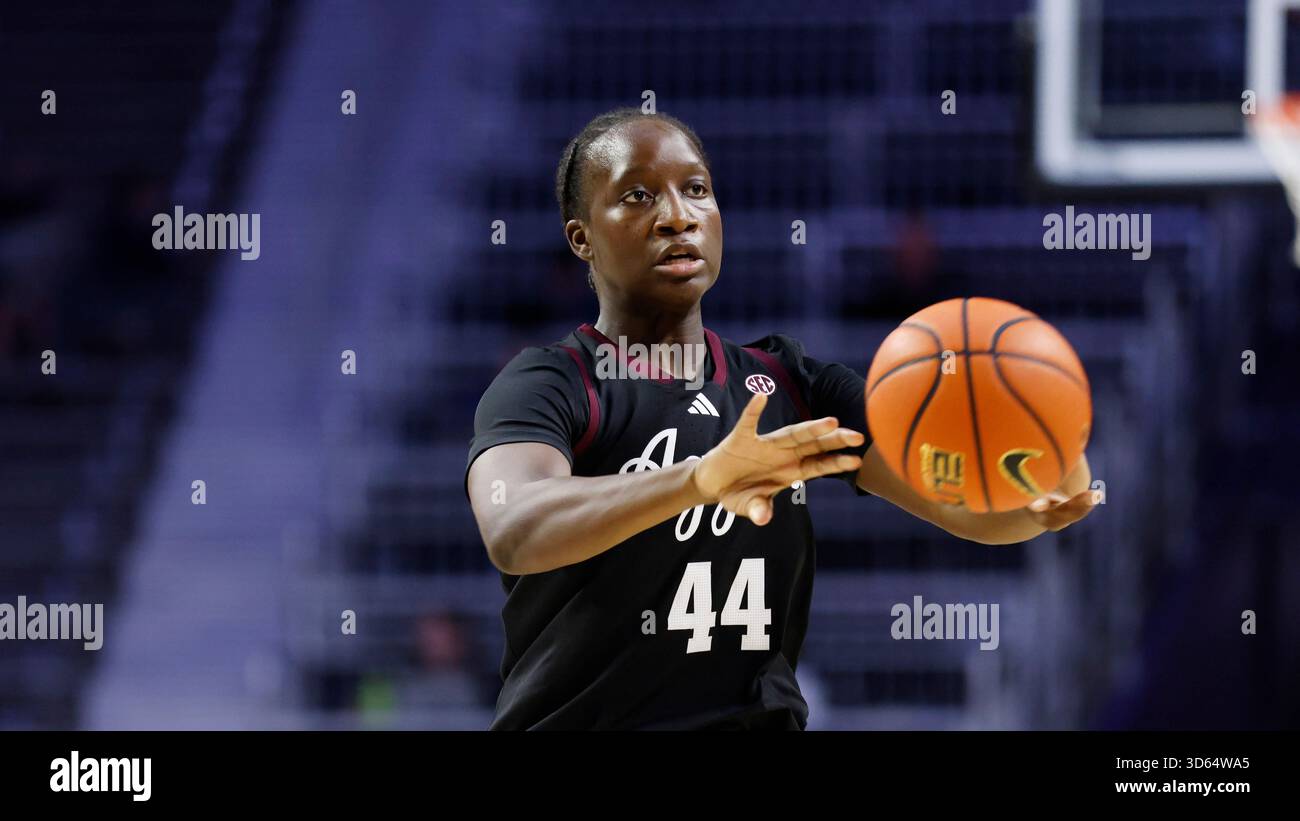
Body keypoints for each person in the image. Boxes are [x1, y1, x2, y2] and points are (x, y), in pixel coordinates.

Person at [464, 108, 1096, 730]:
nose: (678, 216)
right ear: (582, 237)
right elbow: (515, 527)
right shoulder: (549, 382)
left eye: (696, 191)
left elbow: (969, 513)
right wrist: (698, 481)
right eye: (637, 196)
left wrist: (1047, 453)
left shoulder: (791, 379)